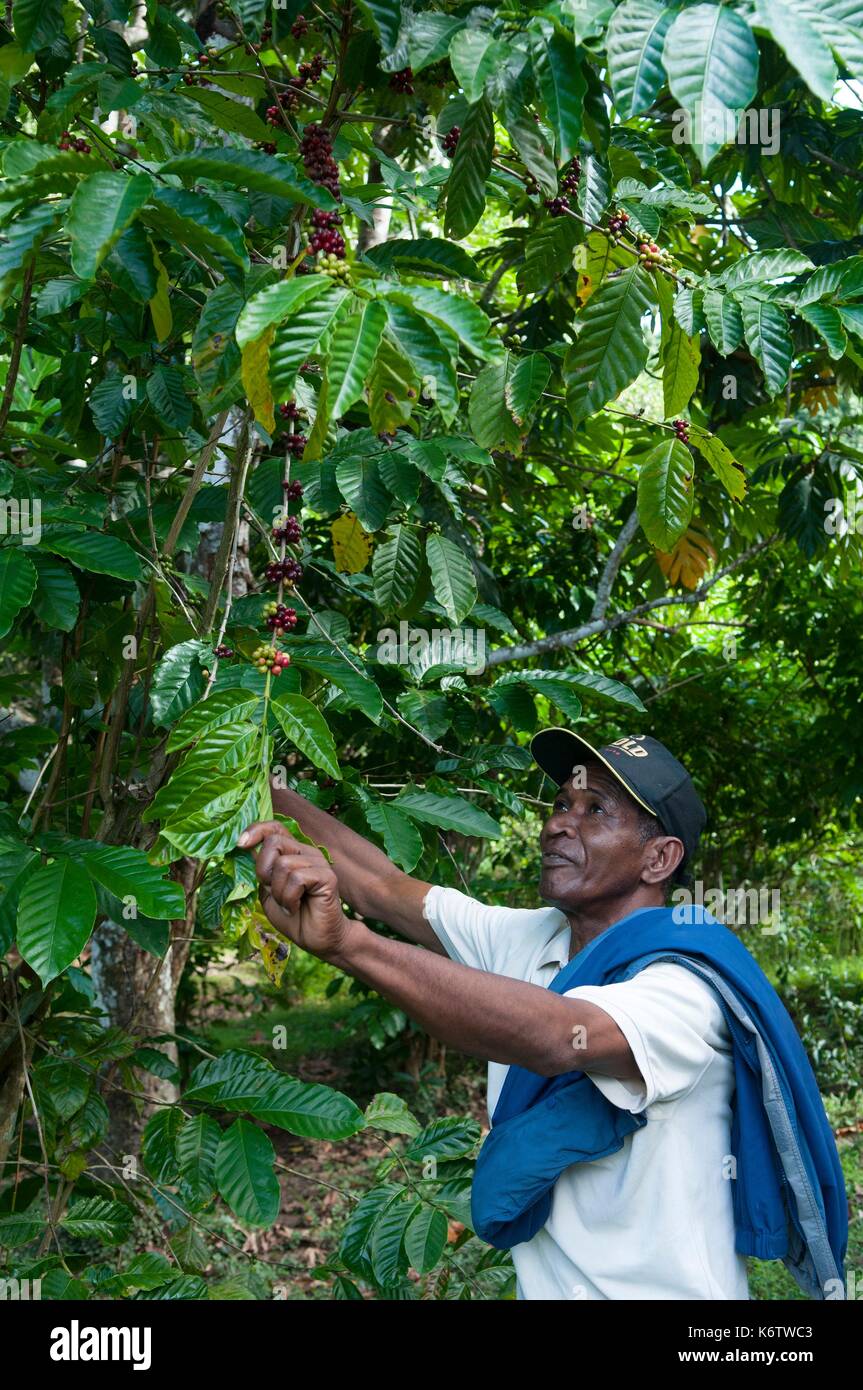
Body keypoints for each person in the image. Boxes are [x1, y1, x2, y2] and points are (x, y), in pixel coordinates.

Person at [235, 730, 838, 1300]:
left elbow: (558, 1036)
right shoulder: (528, 938)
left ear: (659, 859)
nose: (556, 825)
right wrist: (255, 786)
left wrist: (349, 945)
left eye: (594, 811)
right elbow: (381, 886)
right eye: (560, 804)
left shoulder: (684, 988)